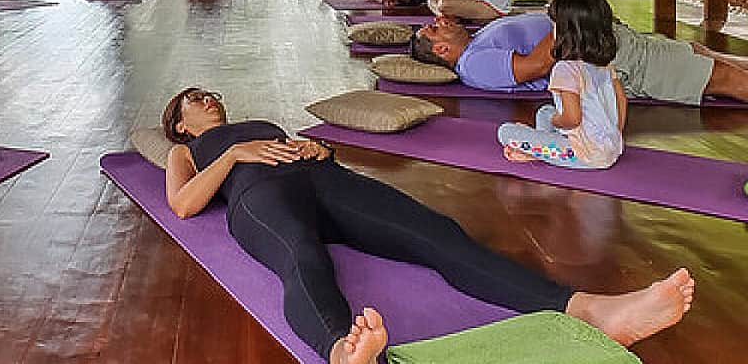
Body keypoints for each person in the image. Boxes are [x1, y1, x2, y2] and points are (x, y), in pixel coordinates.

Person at [161, 87, 693, 364]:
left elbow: (322, 150)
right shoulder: (186, 151)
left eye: (211, 94)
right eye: (195, 99)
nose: (208, 99)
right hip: (260, 193)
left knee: (434, 231)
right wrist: (232, 155)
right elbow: (185, 204)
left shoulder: (261, 121)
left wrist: (319, 146)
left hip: (323, 177)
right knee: (300, 252)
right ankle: (343, 351)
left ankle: (589, 309)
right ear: (182, 123)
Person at [411, 6, 748, 104]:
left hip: (612, 40)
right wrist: (565, 14)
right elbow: (536, 65)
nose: (439, 22)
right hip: (614, 59)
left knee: (702, 53)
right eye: (434, 29)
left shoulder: (477, 38)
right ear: (442, 50)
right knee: (724, 78)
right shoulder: (473, 64)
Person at [498, 0, 627, 169]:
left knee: (505, 132)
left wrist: (555, 121)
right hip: (611, 148)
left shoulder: (566, 69)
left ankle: (541, 152)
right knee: (544, 111)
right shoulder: (605, 65)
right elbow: (621, 100)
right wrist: (614, 133)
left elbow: (572, 118)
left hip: (583, 154)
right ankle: (545, 146)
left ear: (567, 32)